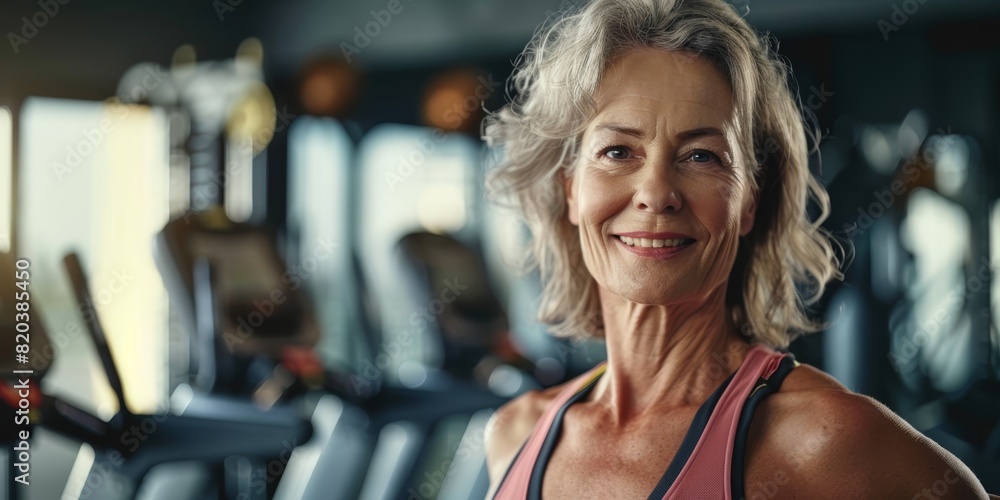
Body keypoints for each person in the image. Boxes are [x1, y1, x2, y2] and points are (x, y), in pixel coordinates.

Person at [480, 0, 994, 498]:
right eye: (617, 151)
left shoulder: (824, 441)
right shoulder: (514, 434)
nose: (657, 193)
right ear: (571, 189)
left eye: (702, 155)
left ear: (749, 201)